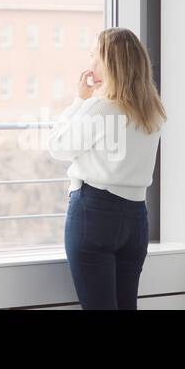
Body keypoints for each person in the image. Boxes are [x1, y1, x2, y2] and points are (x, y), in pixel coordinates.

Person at [47, 27, 165, 310]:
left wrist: (80, 101)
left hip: (94, 214)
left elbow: (57, 146)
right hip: (136, 218)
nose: (91, 66)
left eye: (97, 58)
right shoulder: (153, 111)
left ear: (114, 64)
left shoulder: (101, 107)